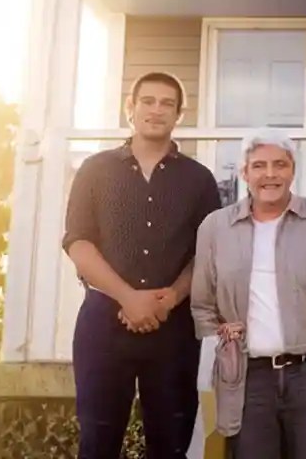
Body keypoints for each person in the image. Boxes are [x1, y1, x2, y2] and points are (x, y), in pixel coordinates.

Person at [62, 71, 222, 459]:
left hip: (174, 329)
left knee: (170, 445)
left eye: (168, 104)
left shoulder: (199, 180)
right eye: (147, 101)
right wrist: (128, 298)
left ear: (179, 115)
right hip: (103, 322)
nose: (157, 110)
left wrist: (168, 301)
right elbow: (78, 242)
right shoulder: (95, 170)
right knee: (98, 443)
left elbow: (207, 252)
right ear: (130, 108)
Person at [191, 127, 306, 459]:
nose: (270, 174)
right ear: (244, 173)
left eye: (280, 165)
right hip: (247, 378)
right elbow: (202, 306)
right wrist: (224, 344)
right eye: (259, 166)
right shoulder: (215, 227)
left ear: (292, 170)